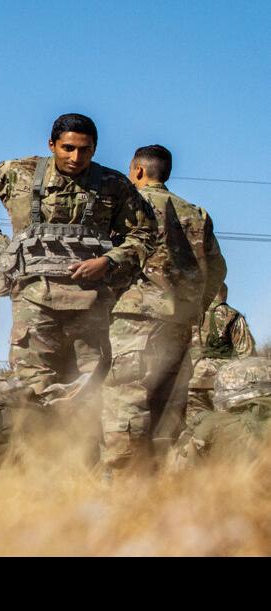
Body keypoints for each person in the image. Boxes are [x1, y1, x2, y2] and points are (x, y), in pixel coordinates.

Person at [0, 113, 156, 398]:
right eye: (68, 148)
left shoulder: (113, 184)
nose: (76, 157)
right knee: (31, 388)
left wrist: (108, 261)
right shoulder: (17, 171)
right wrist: (0, 244)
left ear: (94, 149)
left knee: (87, 389)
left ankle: (74, 443)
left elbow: (144, 233)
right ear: (52, 144)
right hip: (33, 298)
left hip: (90, 302)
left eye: (85, 150)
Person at [100, 144, 228, 471]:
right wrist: (196, 305)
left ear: (137, 170)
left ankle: (124, 481)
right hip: (180, 322)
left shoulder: (129, 208)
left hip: (134, 318)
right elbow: (217, 269)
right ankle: (158, 481)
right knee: (166, 406)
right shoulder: (196, 214)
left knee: (125, 399)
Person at [188, 283, 256, 415]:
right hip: (221, 381)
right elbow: (247, 355)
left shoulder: (189, 315)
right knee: (222, 424)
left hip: (191, 379)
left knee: (195, 424)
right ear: (224, 294)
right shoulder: (232, 315)